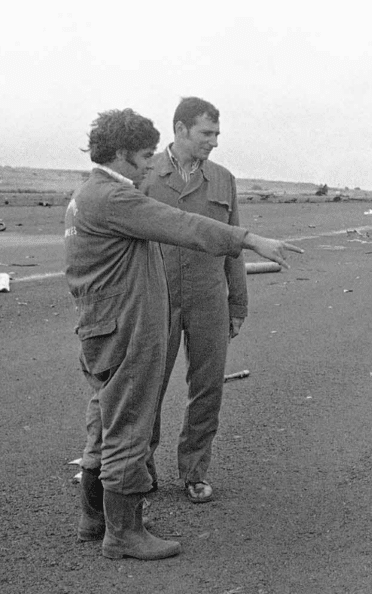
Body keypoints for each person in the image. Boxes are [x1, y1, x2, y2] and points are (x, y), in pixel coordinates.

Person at [66, 108, 302, 560]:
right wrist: (251, 239)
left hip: (104, 322)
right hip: (126, 327)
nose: (144, 167)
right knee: (130, 422)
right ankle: (124, 533)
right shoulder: (115, 197)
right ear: (119, 155)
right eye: (139, 158)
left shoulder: (87, 193)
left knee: (108, 417)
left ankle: (96, 518)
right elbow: (184, 226)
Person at [139, 97, 241, 504]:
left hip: (208, 298)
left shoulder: (223, 179)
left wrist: (238, 305)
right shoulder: (145, 177)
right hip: (156, 299)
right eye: (206, 133)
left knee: (208, 387)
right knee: (148, 387)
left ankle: (194, 471)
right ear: (180, 130)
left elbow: (233, 242)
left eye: (217, 133)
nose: (214, 142)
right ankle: (141, 469)